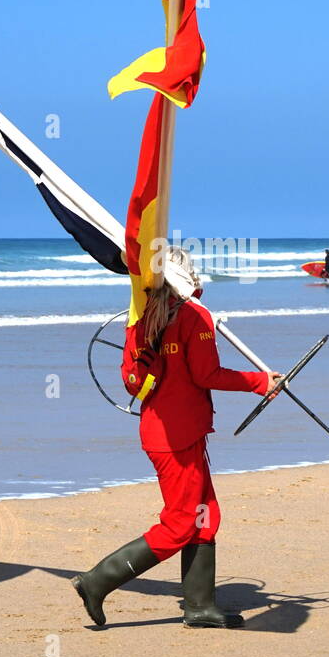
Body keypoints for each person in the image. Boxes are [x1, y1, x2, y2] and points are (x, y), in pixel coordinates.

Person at [72, 247, 282, 629]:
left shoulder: (141, 320)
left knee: (204, 516)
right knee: (181, 523)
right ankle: (96, 581)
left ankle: (200, 606)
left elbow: (131, 382)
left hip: (162, 432)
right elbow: (208, 375)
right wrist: (260, 382)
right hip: (179, 438)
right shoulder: (192, 316)